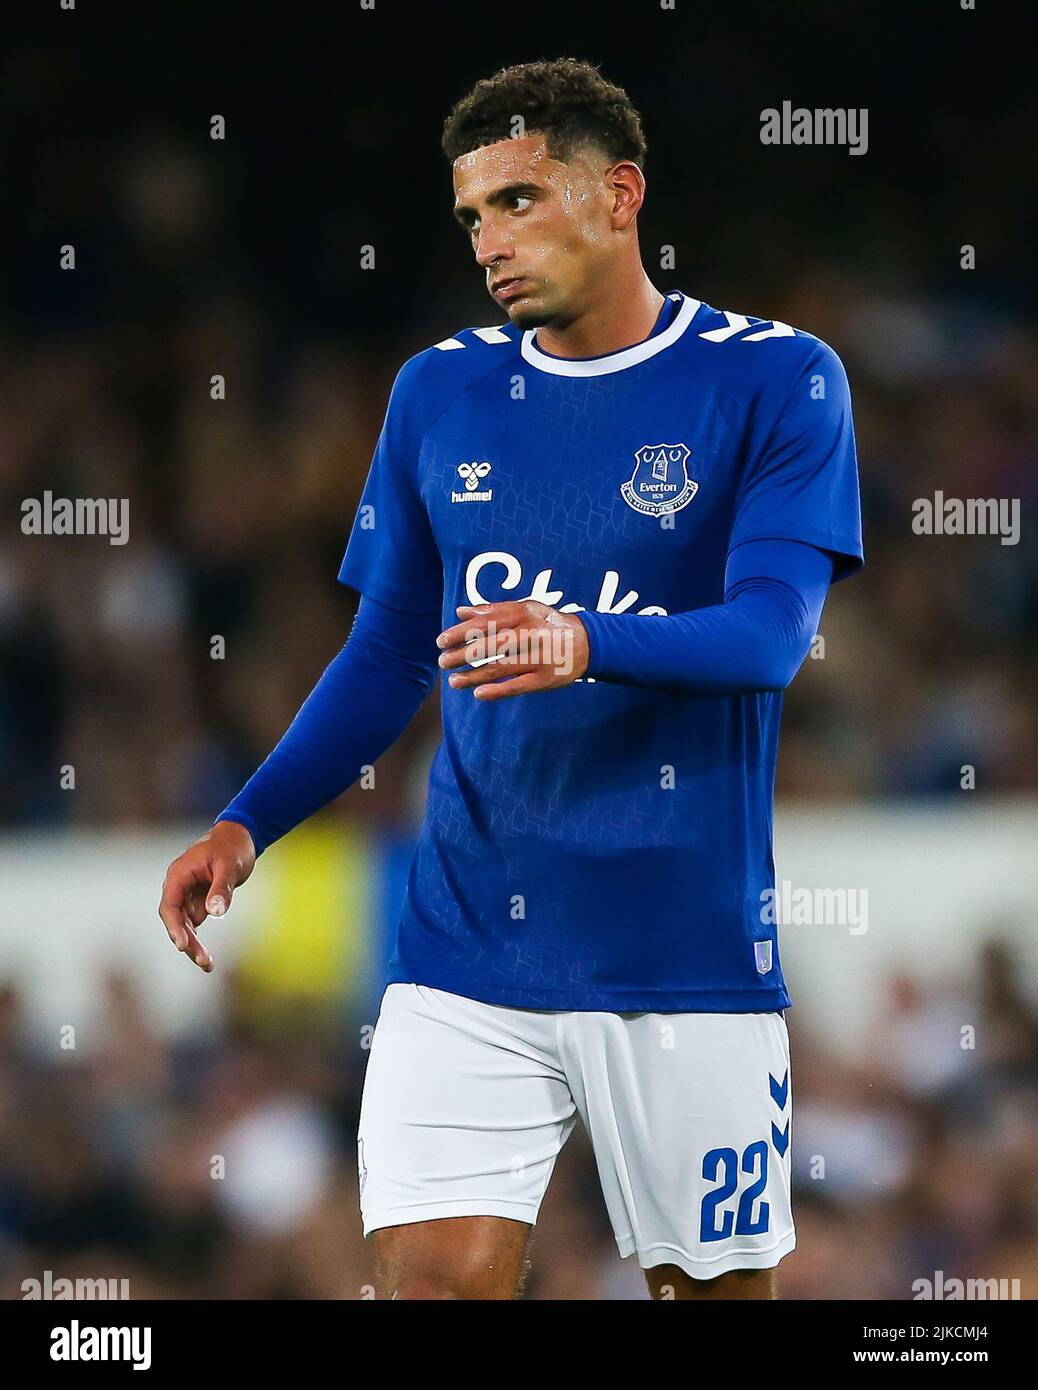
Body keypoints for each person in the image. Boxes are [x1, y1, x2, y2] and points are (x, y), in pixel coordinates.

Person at [159, 56, 863, 1300]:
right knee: (429, 1281)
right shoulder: (440, 391)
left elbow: (766, 635)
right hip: (466, 946)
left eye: (522, 199)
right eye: (474, 214)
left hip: (681, 952)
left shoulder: (777, 378)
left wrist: (584, 639)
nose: (491, 238)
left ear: (619, 194)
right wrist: (247, 816)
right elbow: (389, 653)